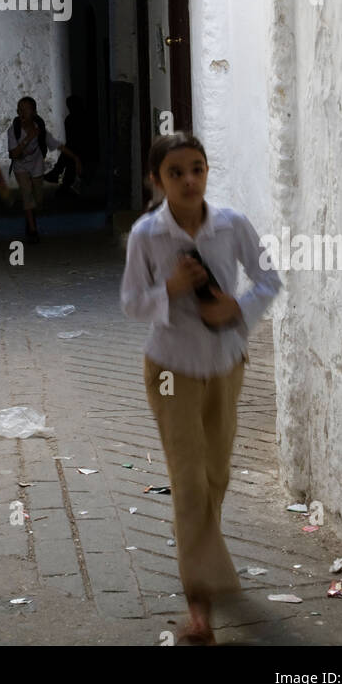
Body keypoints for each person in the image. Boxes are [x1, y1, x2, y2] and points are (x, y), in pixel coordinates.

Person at [120, 132, 281, 645]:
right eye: (176, 172)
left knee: (216, 476)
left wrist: (236, 309)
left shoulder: (231, 226)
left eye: (197, 169)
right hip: (171, 370)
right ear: (157, 180)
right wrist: (169, 290)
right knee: (189, 484)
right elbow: (131, 303)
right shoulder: (147, 235)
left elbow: (268, 279)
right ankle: (201, 608)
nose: (189, 180)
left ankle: (209, 575)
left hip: (226, 364)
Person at [6, 96, 82, 244]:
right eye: (19, 110)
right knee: (27, 194)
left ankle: (31, 214)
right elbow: (13, 154)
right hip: (20, 166)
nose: (22, 113)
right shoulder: (13, 130)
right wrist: (28, 138)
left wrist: (76, 158)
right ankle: (32, 229)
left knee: (38, 199)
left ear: (34, 112)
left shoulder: (39, 129)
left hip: (36, 165)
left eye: (26, 110)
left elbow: (58, 145)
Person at [43, 94, 90, 193]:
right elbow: (72, 138)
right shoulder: (71, 119)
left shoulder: (75, 118)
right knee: (69, 155)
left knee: (69, 155)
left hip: (81, 147)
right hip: (76, 147)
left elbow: (77, 138)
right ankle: (61, 178)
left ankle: (58, 175)